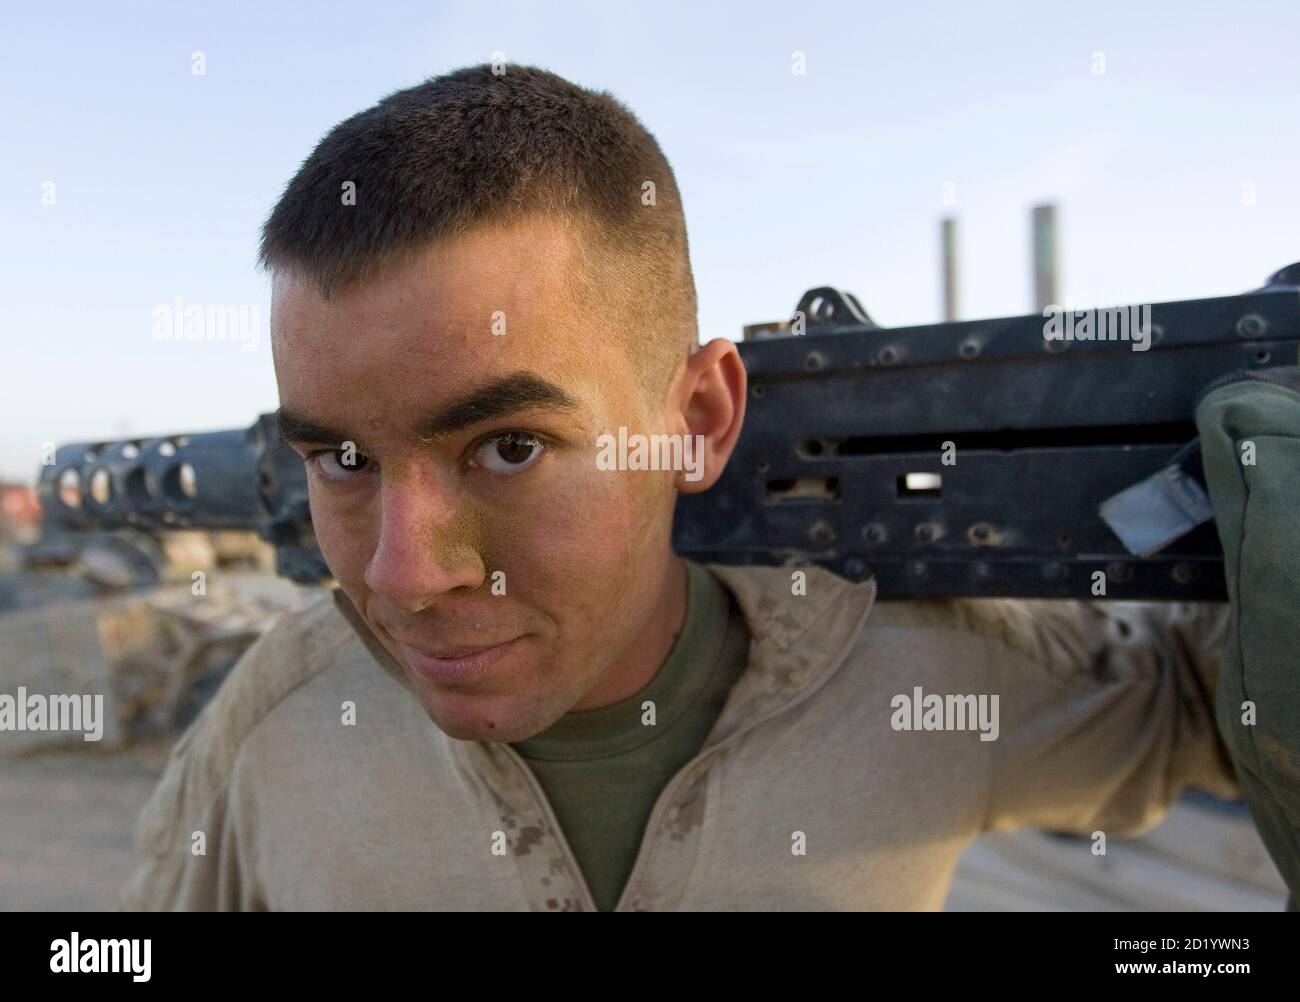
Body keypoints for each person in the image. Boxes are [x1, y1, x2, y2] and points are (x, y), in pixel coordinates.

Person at [120, 64, 1240, 912]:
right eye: (344, 462)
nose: (404, 576)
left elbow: (1216, 715)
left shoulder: (918, 674)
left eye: (509, 446)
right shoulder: (276, 724)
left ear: (695, 420)